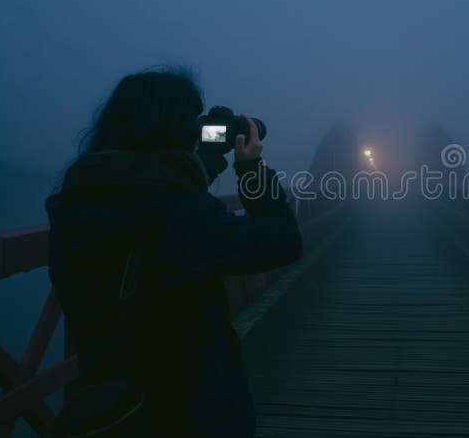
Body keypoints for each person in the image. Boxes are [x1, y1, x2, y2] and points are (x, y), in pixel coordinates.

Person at [46, 68, 302, 436]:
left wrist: (205, 162)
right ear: (174, 133)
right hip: (186, 408)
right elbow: (283, 241)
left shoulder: (77, 203)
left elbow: (154, 192)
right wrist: (250, 168)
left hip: (106, 409)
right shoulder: (178, 215)